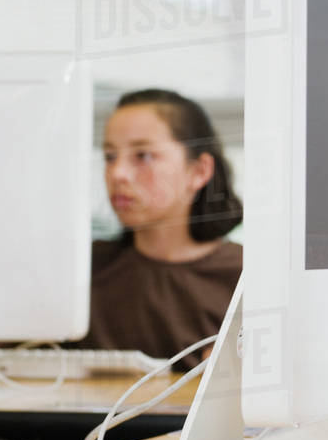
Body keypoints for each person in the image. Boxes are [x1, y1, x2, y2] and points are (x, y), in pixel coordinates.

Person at [69, 89, 243, 371]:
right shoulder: (80, 271)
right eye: (110, 156)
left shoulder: (251, 279)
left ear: (199, 171)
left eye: (143, 156)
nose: (117, 174)